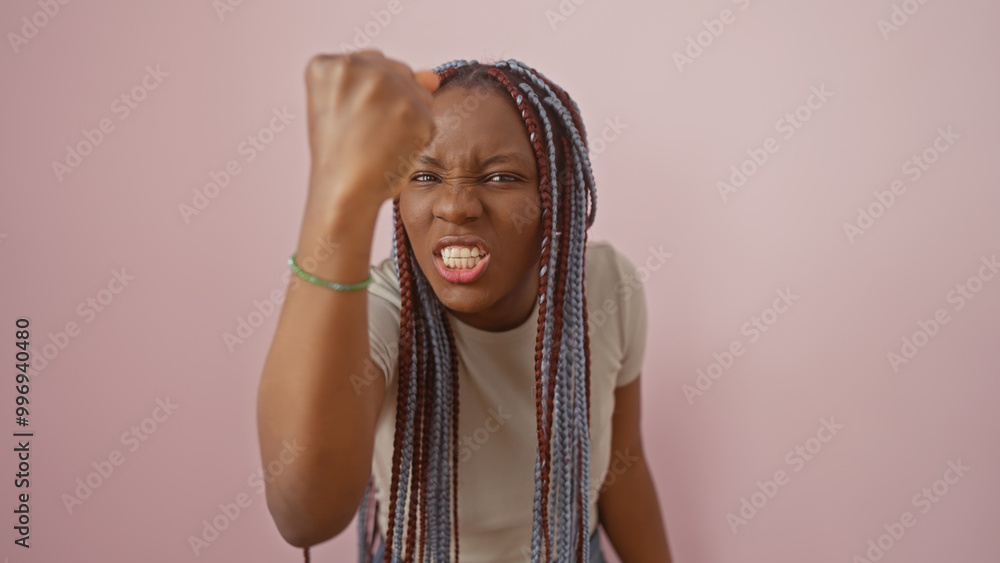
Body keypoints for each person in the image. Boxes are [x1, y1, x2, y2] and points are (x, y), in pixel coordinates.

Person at [256, 49, 672, 562]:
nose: (455, 206)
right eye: (425, 177)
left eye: (501, 177)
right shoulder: (383, 314)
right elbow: (305, 514)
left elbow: (621, 463)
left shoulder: (608, 286)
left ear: (555, 198)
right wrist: (337, 194)